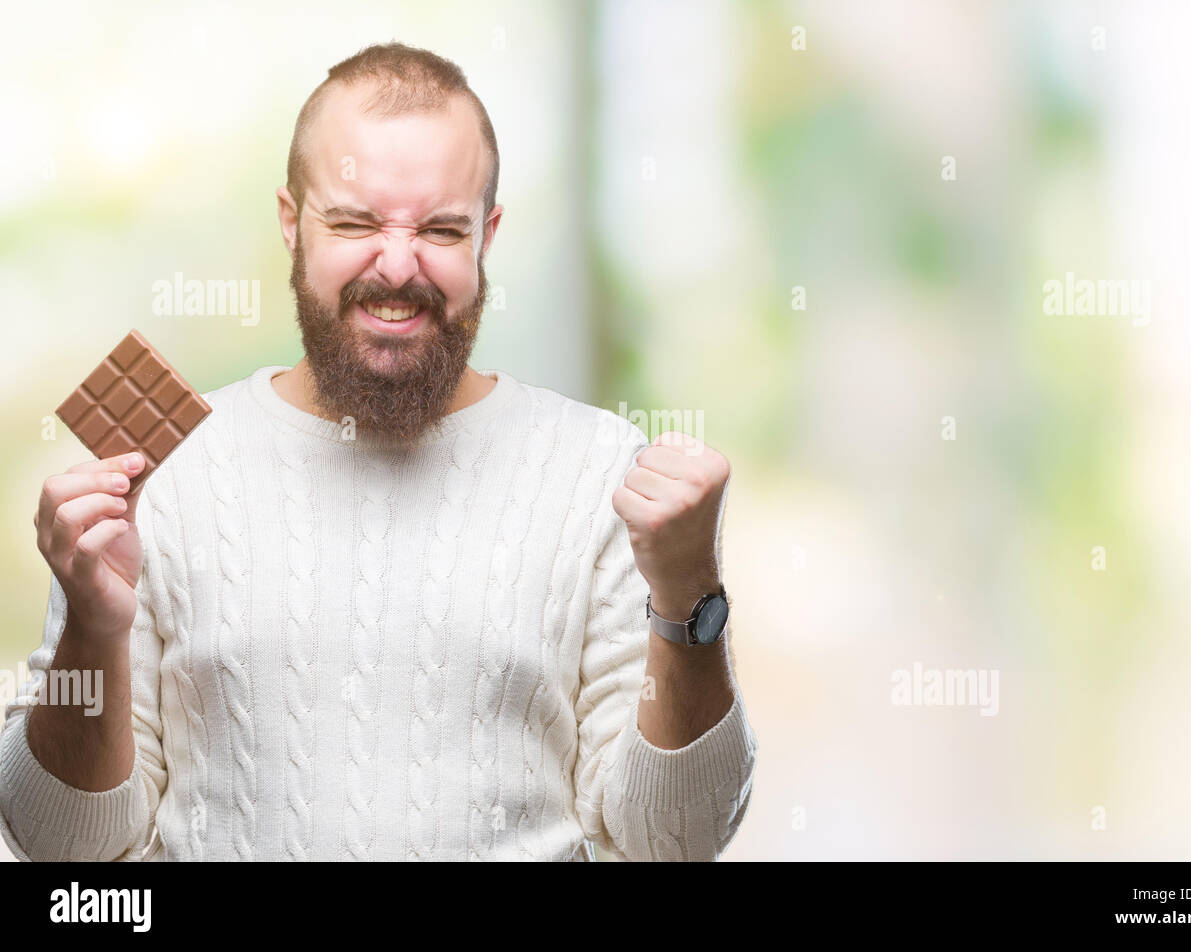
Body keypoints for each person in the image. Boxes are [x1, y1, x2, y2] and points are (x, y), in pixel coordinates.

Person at [0, 42, 756, 862]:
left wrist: (688, 601)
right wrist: (90, 630)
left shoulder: (599, 471)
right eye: (355, 222)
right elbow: (61, 851)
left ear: (486, 235)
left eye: (439, 229)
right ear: (292, 223)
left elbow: (674, 843)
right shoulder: (165, 476)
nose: (397, 266)